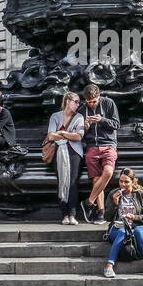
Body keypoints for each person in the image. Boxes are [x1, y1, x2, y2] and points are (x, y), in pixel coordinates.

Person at [102, 169, 143, 278]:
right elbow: (107, 217)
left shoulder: (141, 195)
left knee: (139, 231)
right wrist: (114, 203)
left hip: (139, 226)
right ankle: (109, 266)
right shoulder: (113, 194)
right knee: (122, 232)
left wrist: (135, 217)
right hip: (119, 227)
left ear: (133, 182)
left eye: (126, 182)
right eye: (121, 181)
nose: (123, 184)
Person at [79, 84, 120, 225]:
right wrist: (84, 127)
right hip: (91, 146)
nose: (91, 104)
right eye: (88, 102)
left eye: (94, 101)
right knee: (96, 181)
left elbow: (116, 124)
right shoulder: (82, 109)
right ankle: (100, 212)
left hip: (108, 144)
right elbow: (79, 133)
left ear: (99, 96)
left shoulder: (109, 103)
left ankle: (88, 202)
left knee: (108, 172)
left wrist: (101, 120)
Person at [46, 92, 85, 225]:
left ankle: (72, 214)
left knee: (72, 182)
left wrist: (61, 133)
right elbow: (50, 136)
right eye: (76, 101)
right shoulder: (55, 116)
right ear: (68, 101)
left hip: (74, 152)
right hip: (59, 152)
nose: (78, 104)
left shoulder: (79, 117)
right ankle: (64, 214)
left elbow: (79, 136)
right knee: (62, 181)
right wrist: (69, 134)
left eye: (79, 102)